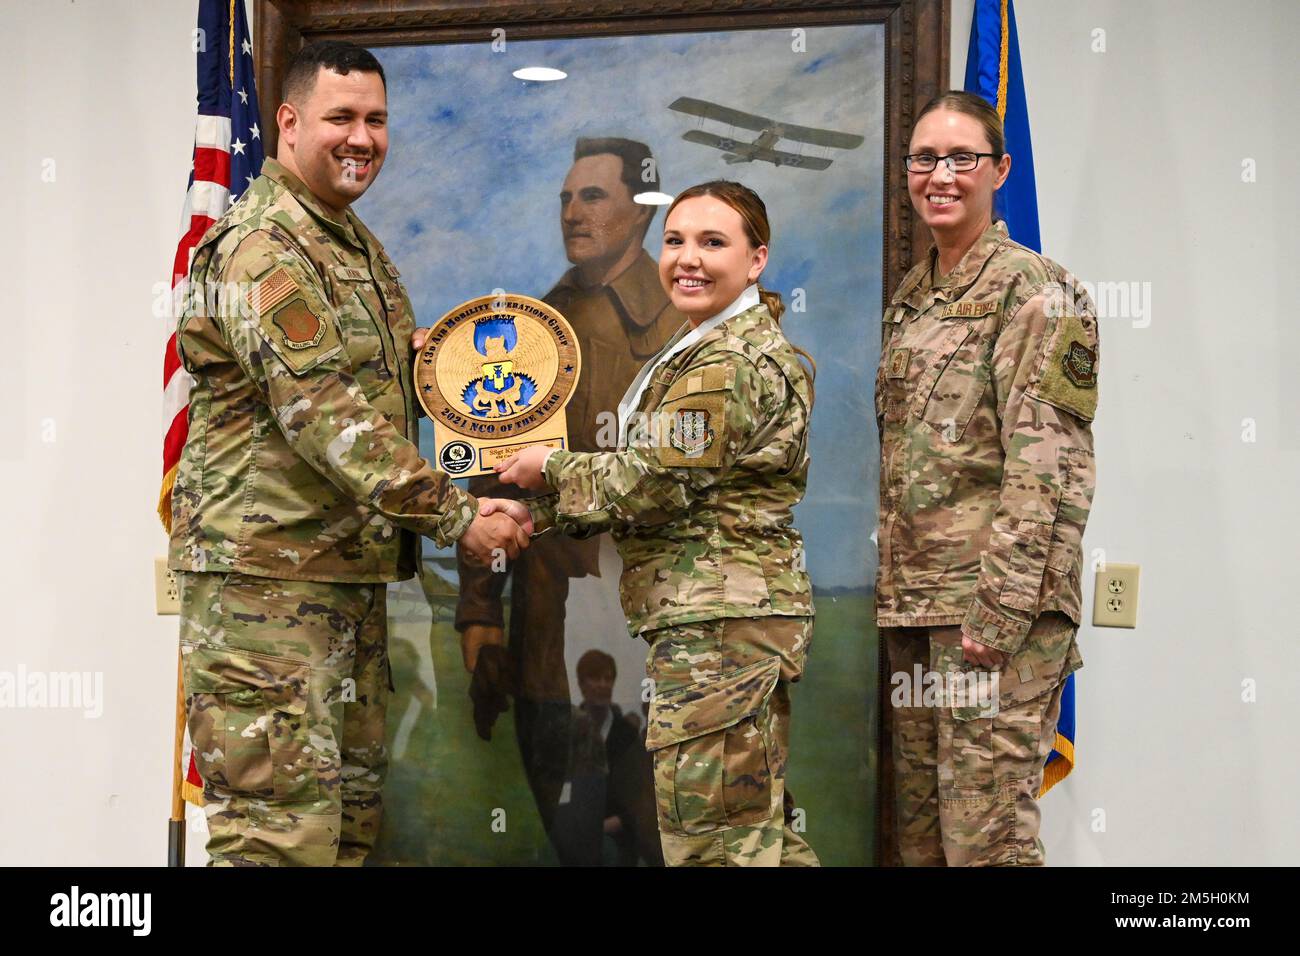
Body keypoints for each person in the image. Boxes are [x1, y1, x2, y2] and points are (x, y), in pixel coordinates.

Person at [168, 40, 532, 866]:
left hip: (343, 581)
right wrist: (457, 516)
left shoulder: (353, 247)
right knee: (278, 837)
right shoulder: (261, 247)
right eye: (340, 117)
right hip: (266, 594)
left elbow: (409, 387)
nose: (360, 137)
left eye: (375, 119)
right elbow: (324, 413)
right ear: (289, 123)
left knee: (346, 832)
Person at [493, 181, 819, 867]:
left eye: (712, 242)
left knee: (716, 846)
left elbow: (654, 480)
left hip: (720, 638)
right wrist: (532, 508)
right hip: (718, 630)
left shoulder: (727, 362)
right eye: (675, 241)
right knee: (757, 841)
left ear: (757, 260)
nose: (687, 259)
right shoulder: (705, 346)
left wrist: (548, 470)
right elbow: (653, 474)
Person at [420, 138, 681, 854]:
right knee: (576, 843)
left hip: (661, 639)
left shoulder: (689, 326)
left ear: (640, 212)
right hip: (547, 641)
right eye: (565, 198)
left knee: (669, 844)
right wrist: (481, 618)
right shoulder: (527, 331)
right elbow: (488, 473)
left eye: (592, 196)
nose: (573, 211)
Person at [876, 91, 1099, 866]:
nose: (940, 175)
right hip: (918, 611)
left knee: (988, 847)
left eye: (961, 158)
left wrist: (997, 620)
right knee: (926, 848)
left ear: (1000, 170)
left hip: (990, 624)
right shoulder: (913, 299)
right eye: (924, 158)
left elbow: (1049, 470)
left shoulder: (1037, 292)